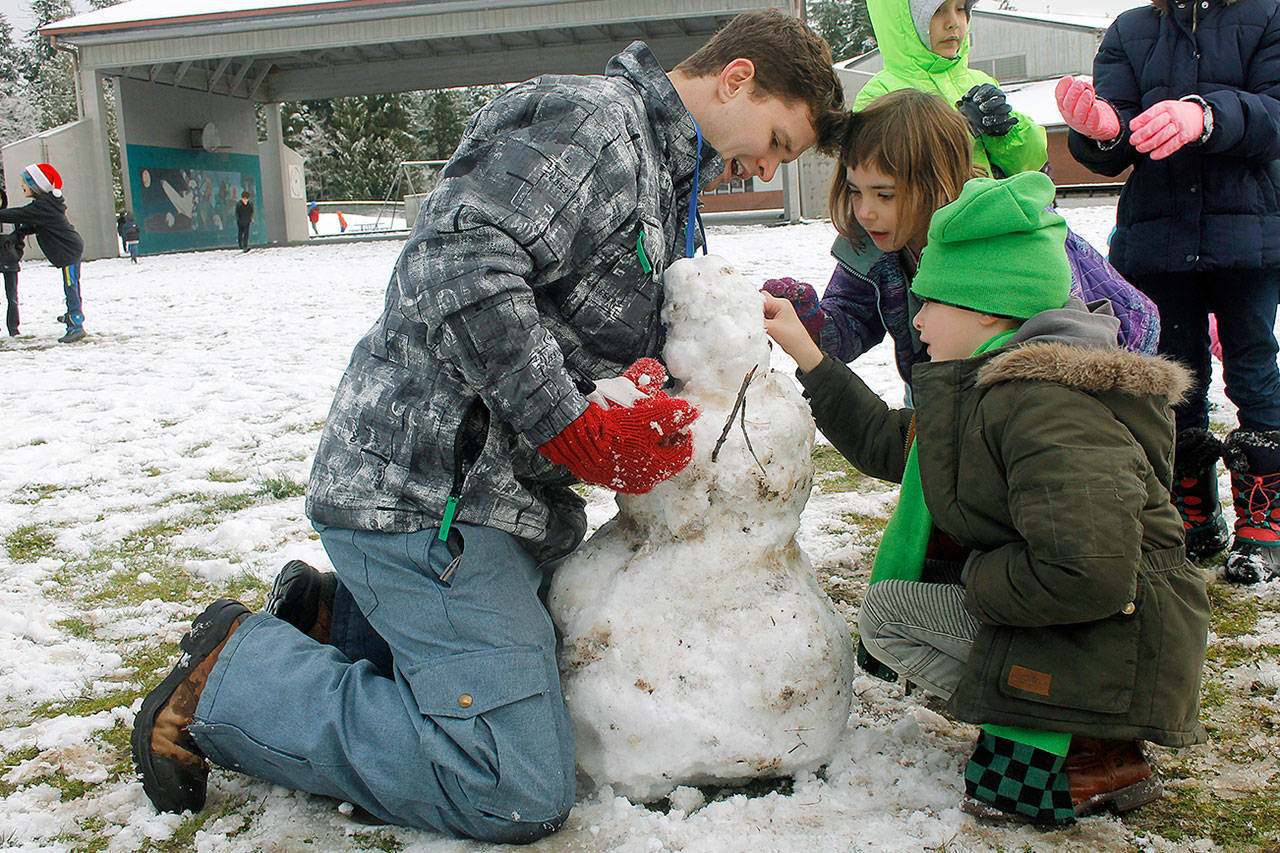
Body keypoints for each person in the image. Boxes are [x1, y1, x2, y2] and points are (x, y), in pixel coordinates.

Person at [130, 10, 846, 842]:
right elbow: (461, 258)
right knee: (511, 780)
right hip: (429, 495)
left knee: (560, 673)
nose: (767, 163)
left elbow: (573, 316)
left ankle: (338, 624)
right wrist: (570, 422)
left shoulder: (666, 177)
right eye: (778, 139)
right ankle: (237, 679)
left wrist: (644, 382)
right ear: (737, 78)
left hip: (504, 508)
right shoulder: (594, 123)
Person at [764, 170, 1209, 826]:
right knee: (893, 611)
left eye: (929, 302)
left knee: (913, 634)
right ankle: (1074, 730)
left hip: (1120, 639)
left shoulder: (1048, 408)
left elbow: (1088, 570)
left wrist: (974, 574)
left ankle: (1093, 746)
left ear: (985, 308)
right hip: (1097, 626)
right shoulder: (1004, 385)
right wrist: (809, 354)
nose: (915, 321)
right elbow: (901, 444)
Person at [1057, 0, 1280, 583]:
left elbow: (1276, 115)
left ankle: (1266, 521)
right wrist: (1102, 133)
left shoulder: (1269, 15)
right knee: (1175, 379)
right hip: (1159, 238)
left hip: (1250, 233)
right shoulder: (1131, 31)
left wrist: (1205, 115)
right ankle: (1191, 513)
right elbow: (1116, 144)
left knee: (1254, 368)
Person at [764, 90, 1158, 393]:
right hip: (950, 390)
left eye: (884, 194)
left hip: (1078, 384)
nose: (865, 211)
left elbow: (1069, 340)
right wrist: (809, 319)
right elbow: (849, 322)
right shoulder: (875, 244)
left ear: (935, 184)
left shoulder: (999, 237)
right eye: (855, 191)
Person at [856, 0, 1047, 179]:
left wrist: (1005, 134)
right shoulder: (880, 93)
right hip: (930, 215)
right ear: (903, 19)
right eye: (937, 10)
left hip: (992, 212)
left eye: (960, 8)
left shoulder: (978, 81)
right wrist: (959, 128)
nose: (953, 23)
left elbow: (1030, 165)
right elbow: (881, 179)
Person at [0, 164, 86, 343]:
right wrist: (19, 233)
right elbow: (31, 224)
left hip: (68, 250)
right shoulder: (44, 206)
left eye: (24, 182)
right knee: (72, 285)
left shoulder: (43, 207)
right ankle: (73, 313)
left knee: (71, 286)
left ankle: (76, 324)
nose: (22, 186)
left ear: (35, 185)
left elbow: (19, 214)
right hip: (69, 248)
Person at [1, 186, 24, 336]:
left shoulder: (12, 218)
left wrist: (17, 255)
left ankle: (13, 329)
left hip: (10, 264)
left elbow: (20, 239)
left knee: (12, 298)